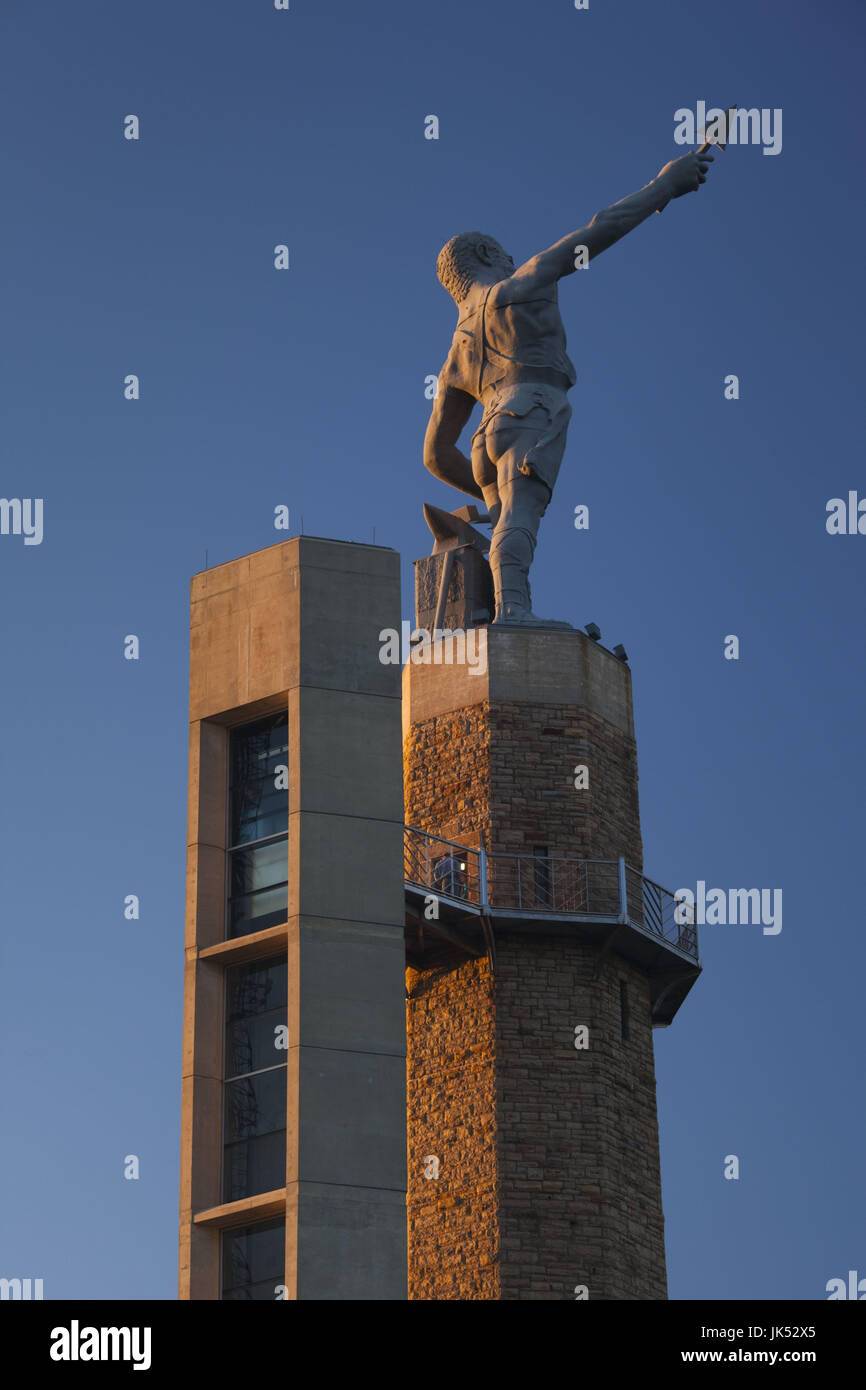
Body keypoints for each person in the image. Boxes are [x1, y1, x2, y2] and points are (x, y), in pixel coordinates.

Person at [424, 149, 714, 624]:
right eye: (502, 252)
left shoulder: (456, 353)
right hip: (532, 410)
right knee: (520, 519)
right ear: (482, 256)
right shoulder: (523, 283)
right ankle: (514, 612)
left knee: (508, 520)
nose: (511, 257)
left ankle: (509, 609)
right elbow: (602, 227)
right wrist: (666, 185)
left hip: (484, 437)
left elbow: (435, 454)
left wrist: (484, 488)